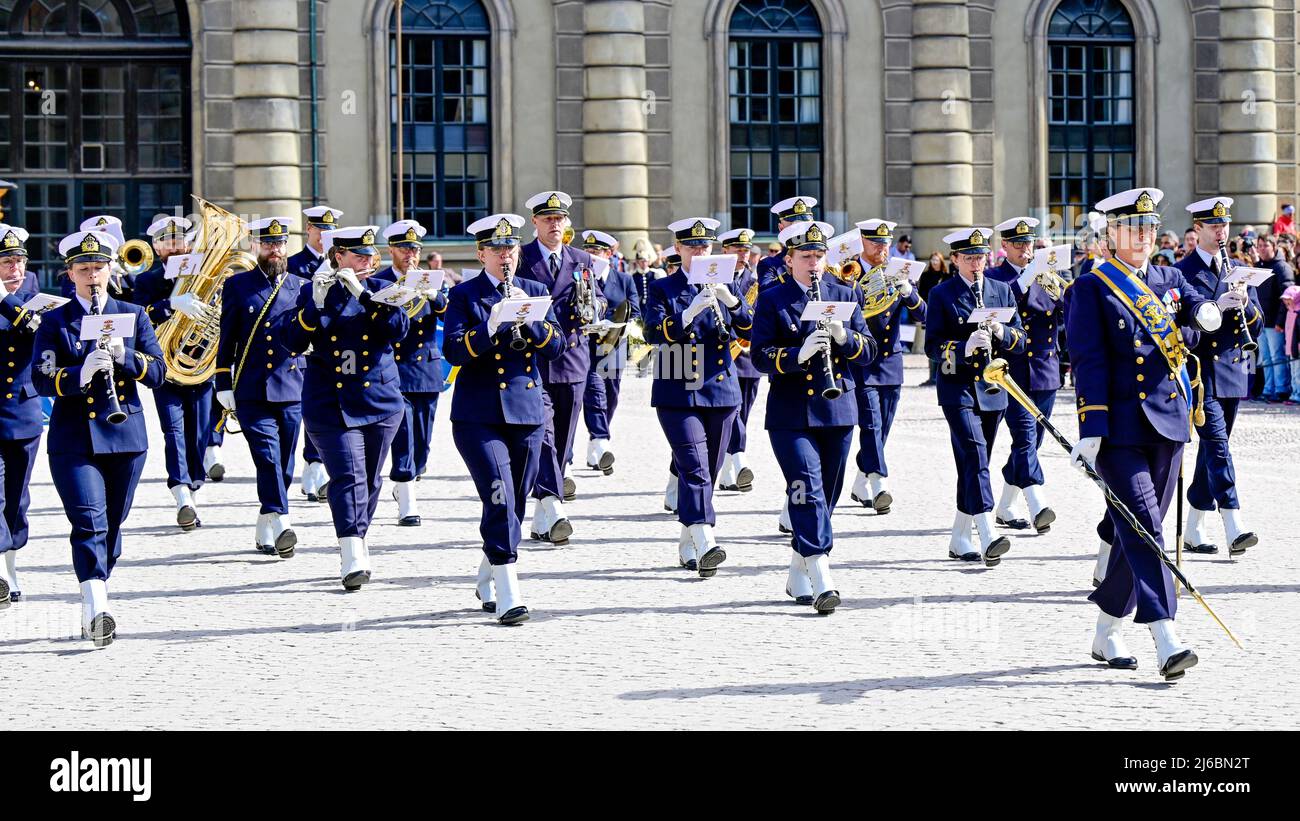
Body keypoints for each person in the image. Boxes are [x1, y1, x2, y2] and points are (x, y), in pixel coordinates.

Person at [1068, 186, 1224, 679]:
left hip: (1170, 420)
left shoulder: (1169, 277)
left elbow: (1195, 331)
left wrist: (1200, 318)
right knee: (1145, 526)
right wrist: (1090, 429)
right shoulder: (1091, 288)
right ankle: (1165, 634)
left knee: (1132, 530)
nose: (1143, 235)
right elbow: (1088, 360)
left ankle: (1106, 628)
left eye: (1149, 227)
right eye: (1132, 227)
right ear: (1110, 235)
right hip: (1119, 431)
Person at [33, 229, 167, 646]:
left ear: (111, 270)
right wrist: (79, 374)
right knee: (88, 521)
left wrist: (126, 357)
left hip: (125, 433)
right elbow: (41, 378)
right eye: (84, 269)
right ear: (69, 274)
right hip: (73, 438)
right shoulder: (57, 320)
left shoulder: (133, 314)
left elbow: (160, 373)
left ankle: (98, 583)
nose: (92, 276)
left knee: (111, 525)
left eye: (99, 268)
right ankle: (96, 606)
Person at [444, 213, 565, 624]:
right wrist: (490, 327)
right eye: (496, 249)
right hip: (478, 414)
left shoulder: (534, 289)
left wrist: (534, 326)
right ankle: (509, 588)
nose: (505, 255)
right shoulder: (465, 295)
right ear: (481, 254)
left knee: (514, 500)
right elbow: (454, 351)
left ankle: (489, 571)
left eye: (510, 248)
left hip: (526, 410)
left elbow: (558, 346)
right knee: (498, 493)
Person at [751, 220, 876, 613]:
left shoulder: (845, 291)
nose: (814, 263)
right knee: (805, 488)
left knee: (828, 495)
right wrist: (796, 355)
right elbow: (758, 356)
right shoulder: (773, 298)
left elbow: (868, 351)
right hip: (791, 413)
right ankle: (822, 573)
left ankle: (797, 569)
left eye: (819, 255)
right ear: (789, 260)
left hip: (837, 409)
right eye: (805, 256)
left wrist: (846, 338)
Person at [280, 225, 408, 590]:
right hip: (330, 402)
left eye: (370, 256)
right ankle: (351, 548)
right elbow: (291, 339)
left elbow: (398, 329)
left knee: (370, 478)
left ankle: (358, 538)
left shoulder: (383, 288)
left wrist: (366, 296)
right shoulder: (311, 290)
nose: (367, 262)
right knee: (347, 475)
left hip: (380, 400)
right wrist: (314, 306)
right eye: (358, 256)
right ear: (339, 256)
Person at [643, 216, 752, 576]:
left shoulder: (727, 282)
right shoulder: (664, 288)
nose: (700, 251)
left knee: (711, 467)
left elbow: (750, 327)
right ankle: (706, 537)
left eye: (705, 246)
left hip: (720, 386)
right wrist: (688, 314)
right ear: (678, 249)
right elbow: (653, 334)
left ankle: (689, 539)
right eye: (692, 246)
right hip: (677, 385)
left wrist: (731, 302)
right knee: (694, 466)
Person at [924, 227, 1027, 565]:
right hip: (958, 388)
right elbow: (932, 346)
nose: (976, 264)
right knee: (975, 453)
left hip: (993, 388)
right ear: (955, 260)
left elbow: (1021, 341)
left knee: (972, 462)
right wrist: (961, 347)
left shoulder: (1001, 290)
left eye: (980, 257)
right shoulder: (942, 294)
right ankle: (987, 532)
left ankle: (958, 537)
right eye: (968, 258)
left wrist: (1002, 331)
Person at [1174, 197, 1263, 557]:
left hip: (1232, 370)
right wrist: (1215, 307)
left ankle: (1194, 527)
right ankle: (1232, 520)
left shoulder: (1237, 268)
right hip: (1201, 372)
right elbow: (1186, 329)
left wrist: (1244, 303)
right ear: (1197, 229)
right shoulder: (1183, 271)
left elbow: (1256, 318)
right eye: (1213, 226)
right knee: (1218, 446)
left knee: (1213, 450)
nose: (1221, 232)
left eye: (1224, 226)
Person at [215, 216, 307, 557]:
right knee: (267, 457)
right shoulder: (238, 286)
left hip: (293, 385)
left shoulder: (301, 286)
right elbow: (227, 340)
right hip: (252, 387)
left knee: (284, 463)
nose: (274, 249)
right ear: (256, 247)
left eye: (279, 243)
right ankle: (283, 521)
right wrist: (222, 379)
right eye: (268, 244)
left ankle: (264, 525)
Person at [515, 191, 600, 544]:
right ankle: (553, 502)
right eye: (547, 219)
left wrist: (594, 307)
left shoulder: (581, 258)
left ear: (567, 223)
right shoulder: (521, 257)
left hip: (573, 358)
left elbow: (596, 297)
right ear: (535, 222)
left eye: (559, 219)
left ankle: (541, 515)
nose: (554, 224)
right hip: (533, 358)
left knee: (564, 437)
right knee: (545, 433)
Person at [132, 216, 219, 531]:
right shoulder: (148, 281)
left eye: (179, 241)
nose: (174, 247)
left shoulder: (207, 278)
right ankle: (181, 492)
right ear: (156, 247)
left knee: (200, 432)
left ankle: (194, 485)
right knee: (174, 431)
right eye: (166, 242)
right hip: (166, 369)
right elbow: (138, 319)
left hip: (201, 365)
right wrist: (170, 304)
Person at [986, 216, 1061, 534]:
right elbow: (1001, 311)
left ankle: (1004, 506)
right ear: (1005, 246)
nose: (1024, 251)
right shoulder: (994, 277)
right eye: (1017, 245)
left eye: (1028, 244)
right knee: (1024, 437)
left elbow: (1063, 318)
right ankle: (1037, 502)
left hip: (1045, 370)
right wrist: (1023, 281)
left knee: (1030, 443)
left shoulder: (1047, 277)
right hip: (1012, 371)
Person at [844, 219, 925, 514]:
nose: (882, 248)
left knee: (884, 426)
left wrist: (909, 293)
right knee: (871, 422)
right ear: (862, 243)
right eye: (876, 243)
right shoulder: (847, 274)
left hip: (891, 359)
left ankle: (860, 480)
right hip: (862, 358)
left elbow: (923, 315)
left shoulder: (897, 271)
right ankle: (879, 483)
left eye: (885, 243)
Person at [373, 219, 447, 525]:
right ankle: (406, 496)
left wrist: (434, 295)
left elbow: (447, 312)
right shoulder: (379, 282)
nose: (409, 254)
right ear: (392, 249)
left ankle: (411, 478)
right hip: (395, 368)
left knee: (423, 439)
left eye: (414, 248)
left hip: (427, 368)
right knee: (403, 434)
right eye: (404, 248)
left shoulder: (431, 280)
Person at [289, 206, 344, 503]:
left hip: (331, 346)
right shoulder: (293, 263)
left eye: (330, 231)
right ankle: (312, 466)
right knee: (304, 408)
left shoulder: (340, 262)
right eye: (320, 230)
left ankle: (315, 465)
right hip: (302, 344)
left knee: (325, 406)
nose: (325, 236)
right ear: (309, 229)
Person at [0, 225, 42, 605]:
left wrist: (4, 300)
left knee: (17, 498)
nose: (15, 268)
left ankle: (10, 567)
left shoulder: (34, 299)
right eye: (6, 262)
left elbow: (35, 330)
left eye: (19, 261)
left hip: (21, 412)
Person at [579, 229, 639, 474]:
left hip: (613, 346)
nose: (592, 255)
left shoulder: (623, 280)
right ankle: (601, 439)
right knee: (593, 393)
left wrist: (624, 328)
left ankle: (596, 443)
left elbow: (635, 313)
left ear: (609, 253)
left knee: (611, 395)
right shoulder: (580, 278)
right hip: (585, 347)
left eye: (597, 251)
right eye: (588, 251)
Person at [716, 227, 762, 492]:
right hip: (725, 355)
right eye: (737, 250)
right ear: (726, 251)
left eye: (746, 250)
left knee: (743, 412)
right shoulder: (715, 277)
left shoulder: (755, 281)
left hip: (748, 357)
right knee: (731, 414)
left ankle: (727, 472)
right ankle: (738, 460)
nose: (743, 255)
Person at [1255, 235, 1295, 401]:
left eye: (1266, 245)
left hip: (1275, 323)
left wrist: (1280, 321)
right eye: (1260, 246)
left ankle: (1281, 389)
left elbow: (1287, 297)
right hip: (1262, 322)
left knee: (1277, 357)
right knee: (1266, 358)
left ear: (1274, 247)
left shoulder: (1282, 267)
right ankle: (1268, 388)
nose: (1262, 248)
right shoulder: (1258, 267)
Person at [757, 196, 818, 291]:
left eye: (806, 226)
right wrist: (795, 270)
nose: (802, 231)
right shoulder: (770, 264)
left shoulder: (821, 261)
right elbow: (765, 292)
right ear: (781, 228)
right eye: (795, 227)